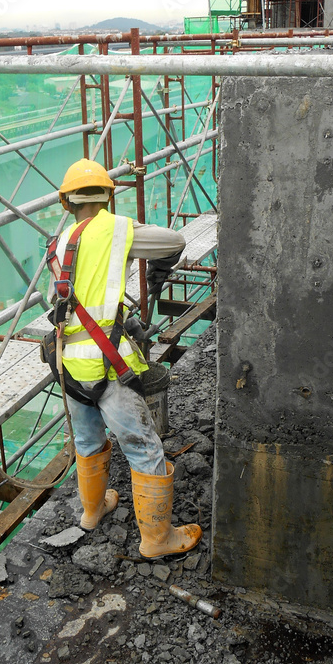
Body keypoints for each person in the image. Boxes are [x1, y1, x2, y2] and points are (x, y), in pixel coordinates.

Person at [46, 158, 202, 559]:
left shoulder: (59, 244)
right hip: (107, 365)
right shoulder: (117, 230)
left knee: (86, 439)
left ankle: (93, 511)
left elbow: (74, 304)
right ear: (108, 196)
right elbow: (174, 241)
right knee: (143, 447)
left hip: (69, 366)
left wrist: (124, 320)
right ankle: (157, 539)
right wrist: (157, 275)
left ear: (68, 202)